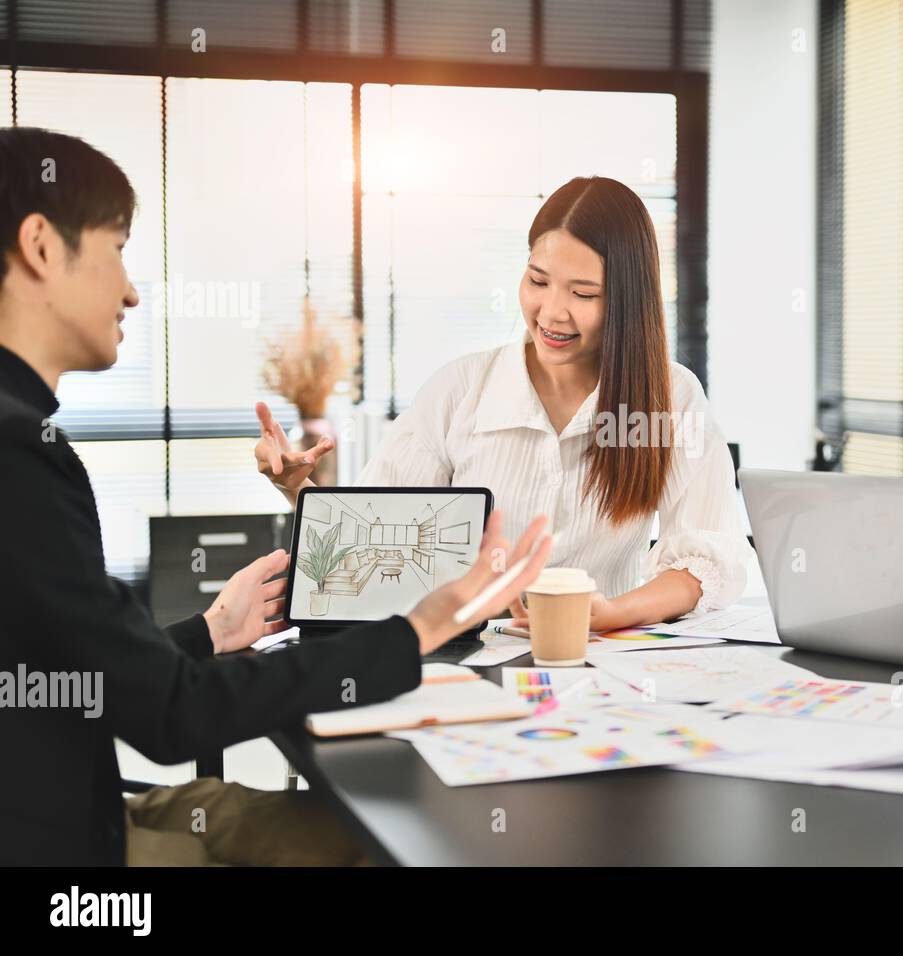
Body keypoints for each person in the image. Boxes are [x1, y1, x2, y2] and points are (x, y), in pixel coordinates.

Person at [0, 127, 552, 865]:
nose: (131, 288)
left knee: (363, 835)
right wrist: (416, 629)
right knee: (394, 847)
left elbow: (61, 678)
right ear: (41, 246)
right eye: (118, 247)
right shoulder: (20, 457)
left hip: (80, 803)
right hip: (77, 854)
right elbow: (171, 719)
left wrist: (208, 632)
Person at [255, 176, 748, 631]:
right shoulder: (459, 390)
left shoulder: (670, 398)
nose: (552, 312)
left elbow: (707, 560)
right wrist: (298, 490)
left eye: (583, 293)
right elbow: (374, 538)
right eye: (537, 281)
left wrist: (610, 613)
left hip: (606, 655)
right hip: (467, 653)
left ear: (627, 299)